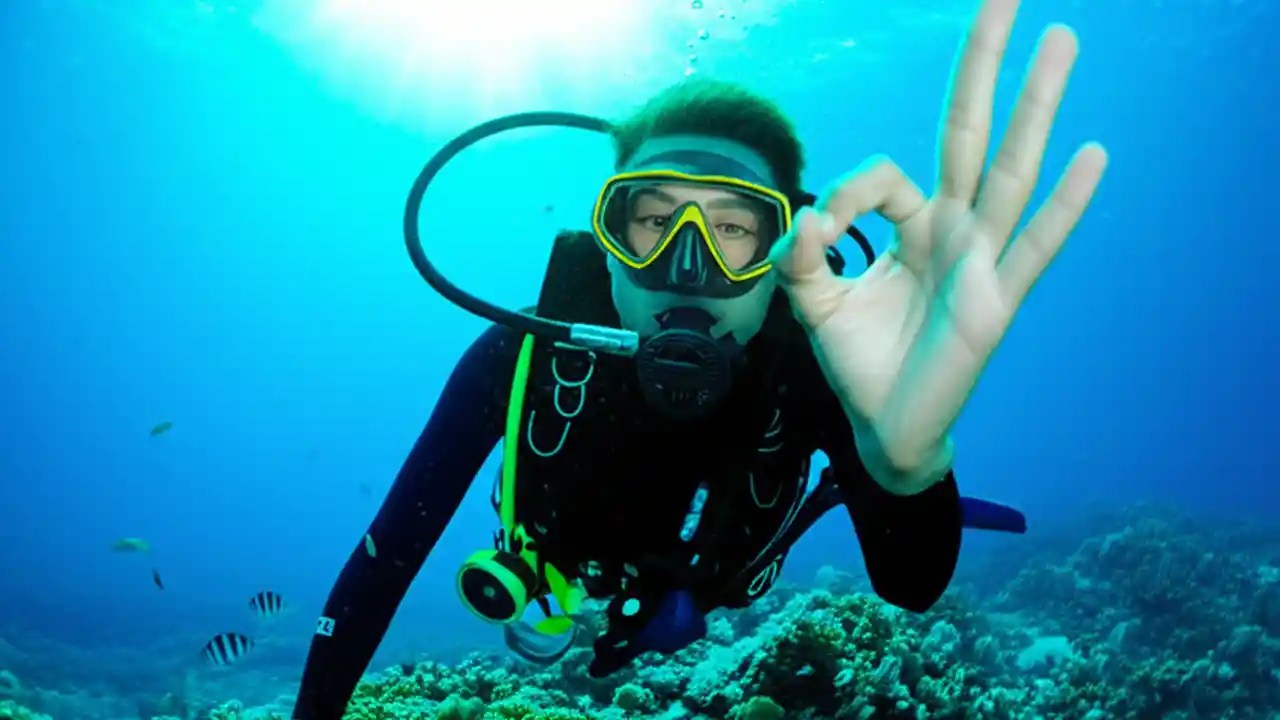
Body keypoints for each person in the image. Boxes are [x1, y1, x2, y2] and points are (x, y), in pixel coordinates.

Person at [290, 0, 1107, 715]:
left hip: (715, 583)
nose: (688, 267)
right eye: (651, 221)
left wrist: (910, 469)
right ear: (606, 243)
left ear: (784, 249)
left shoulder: (824, 374)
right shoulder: (519, 357)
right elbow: (383, 561)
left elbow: (912, 588)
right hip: (563, 578)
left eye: (734, 227)